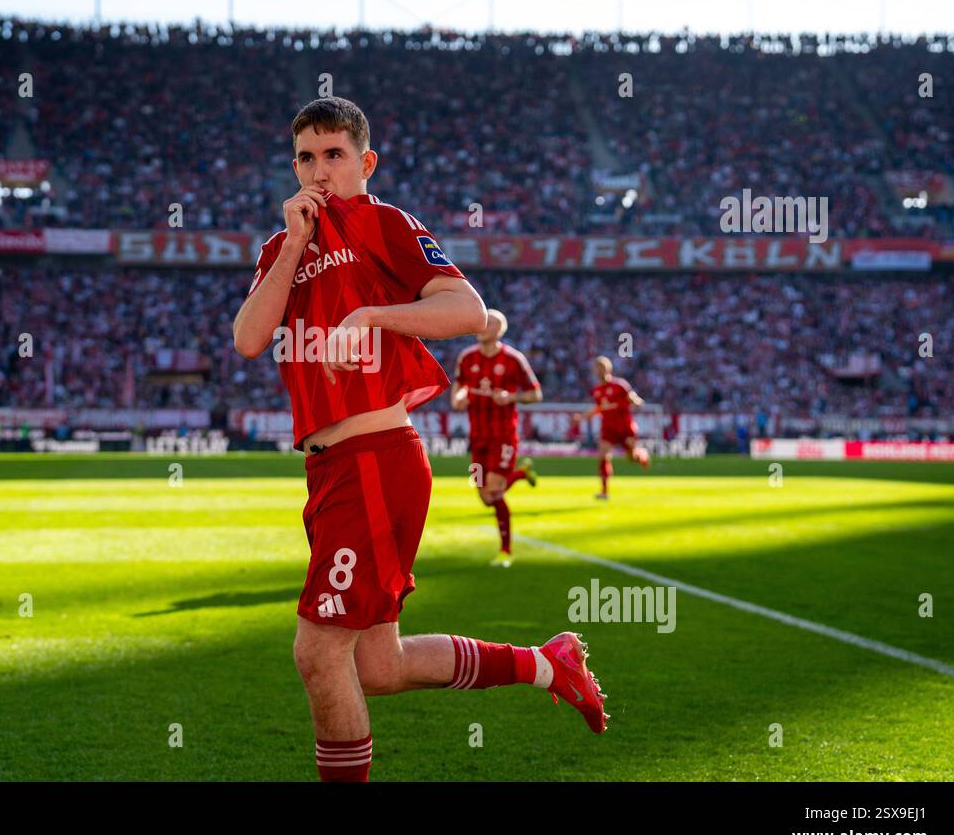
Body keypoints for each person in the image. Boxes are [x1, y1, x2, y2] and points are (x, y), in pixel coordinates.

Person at [232, 96, 608, 782]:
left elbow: (467, 309)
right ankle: (549, 664)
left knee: (317, 655)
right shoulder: (279, 248)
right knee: (379, 666)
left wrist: (373, 314)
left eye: (335, 156)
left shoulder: (382, 224)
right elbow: (249, 338)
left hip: (377, 460)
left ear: (365, 163)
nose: (321, 172)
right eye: (307, 158)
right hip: (329, 472)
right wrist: (291, 245)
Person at [450, 309, 542, 566]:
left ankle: (505, 551)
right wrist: (457, 398)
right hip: (478, 436)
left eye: (489, 323)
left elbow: (536, 394)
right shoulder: (466, 358)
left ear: (500, 330)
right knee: (484, 497)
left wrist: (511, 397)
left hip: (503, 435)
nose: (483, 326)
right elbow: (459, 386)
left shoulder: (514, 359)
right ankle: (522, 474)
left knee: (493, 490)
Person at [574, 355, 649, 500]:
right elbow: (600, 408)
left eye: (601, 368)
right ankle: (604, 491)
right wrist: (583, 417)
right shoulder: (596, 390)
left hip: (625, 428)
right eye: (596, 368)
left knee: (632, 458)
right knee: (603, 456)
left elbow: (632, 397)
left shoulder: (620, 385)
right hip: (608, 429)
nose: (598, 371)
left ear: (608, 369)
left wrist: (637, 401)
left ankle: (641, 455)